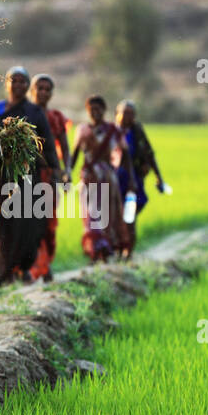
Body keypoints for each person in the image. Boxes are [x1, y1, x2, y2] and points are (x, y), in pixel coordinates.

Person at [0, 66, 66, 284]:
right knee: (2, 223)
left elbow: (47, 145)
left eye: (22, 81)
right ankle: (4, 272)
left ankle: (23, 267)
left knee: (31, 225)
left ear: (27, 86)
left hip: (30, 177)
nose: (18, 85)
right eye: (14, 80)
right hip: (3, 175)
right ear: (6, 83)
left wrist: (56, 173)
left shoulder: (35, 112)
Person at [69, 95, 133, 263]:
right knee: (90, 216)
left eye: (98, 110)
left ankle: (105, 251)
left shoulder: (113, 130)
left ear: (104, 111)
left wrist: (131, 178)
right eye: (92, 110)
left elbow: (125, 155)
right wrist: (67, 173)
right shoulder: (82, 130)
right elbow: (74, 155)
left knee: (108, 215)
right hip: (88, 178)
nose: (95, 113)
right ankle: (95, 251)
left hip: (107, 178)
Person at [28, 74, 70, 283]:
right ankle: (36, 266)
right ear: (32, 90)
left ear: (52, 93)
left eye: (47, 89)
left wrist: (67, 171)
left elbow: (65, 145)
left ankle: (45, 264)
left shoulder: (56, 117)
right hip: (29, 176)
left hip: (51, 177)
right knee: (30, 222)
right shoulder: (24, 114)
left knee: (48, 224)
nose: (43, 92)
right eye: (39, 88)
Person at [114, 100, 165, 260]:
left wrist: (158, 177)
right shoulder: (110, 131)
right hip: (112, 179)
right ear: (117, 114)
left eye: (131, 114)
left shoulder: (137, 132)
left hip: (132, 180)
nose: (127, 117)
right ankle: (116, 248)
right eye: (124, 113)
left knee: (130, 215)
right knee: (113, 215)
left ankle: (128, 249)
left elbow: (149, 154)